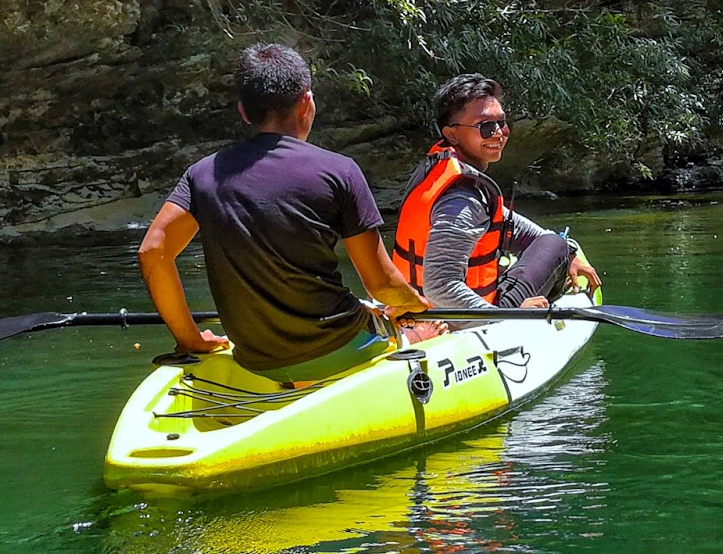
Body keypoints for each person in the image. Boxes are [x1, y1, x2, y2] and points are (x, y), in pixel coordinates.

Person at [137, 43, 431, 382]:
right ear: (306, 102)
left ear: (244, 112)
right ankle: (419, 337)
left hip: (257, 360)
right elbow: (382, 285)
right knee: (424, 328)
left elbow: (152, 251)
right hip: (339, 348)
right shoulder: (340, 171)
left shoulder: (202, 174)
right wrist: (415, 303)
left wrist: (189, 339)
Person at [393, 74, 600, 314]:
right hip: (456, 319)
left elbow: (520, 231)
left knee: (557, 244)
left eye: (501, 123)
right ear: (452, 134)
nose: (498, 133)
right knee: (556, 245)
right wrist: (504, 319)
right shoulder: (463, 199)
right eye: (485, 126)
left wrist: (570, 252)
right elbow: (440, 287)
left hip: (414, 312)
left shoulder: (438, 168)